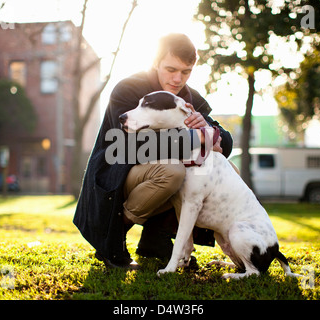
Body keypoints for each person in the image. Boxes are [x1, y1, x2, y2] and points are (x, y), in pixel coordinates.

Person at [73, 33, 233, 269]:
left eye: (186, 72)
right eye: (171, 69)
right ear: (156, 61)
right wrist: (197, 138)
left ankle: (156, 240)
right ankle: (111, 235)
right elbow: (130, 144)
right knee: (173, 171)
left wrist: (210, 132)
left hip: (154, 177)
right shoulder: (128, 89)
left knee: (228, 170)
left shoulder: (189, 97)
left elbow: (225, 142)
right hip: (115, 174)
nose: (178, 79)